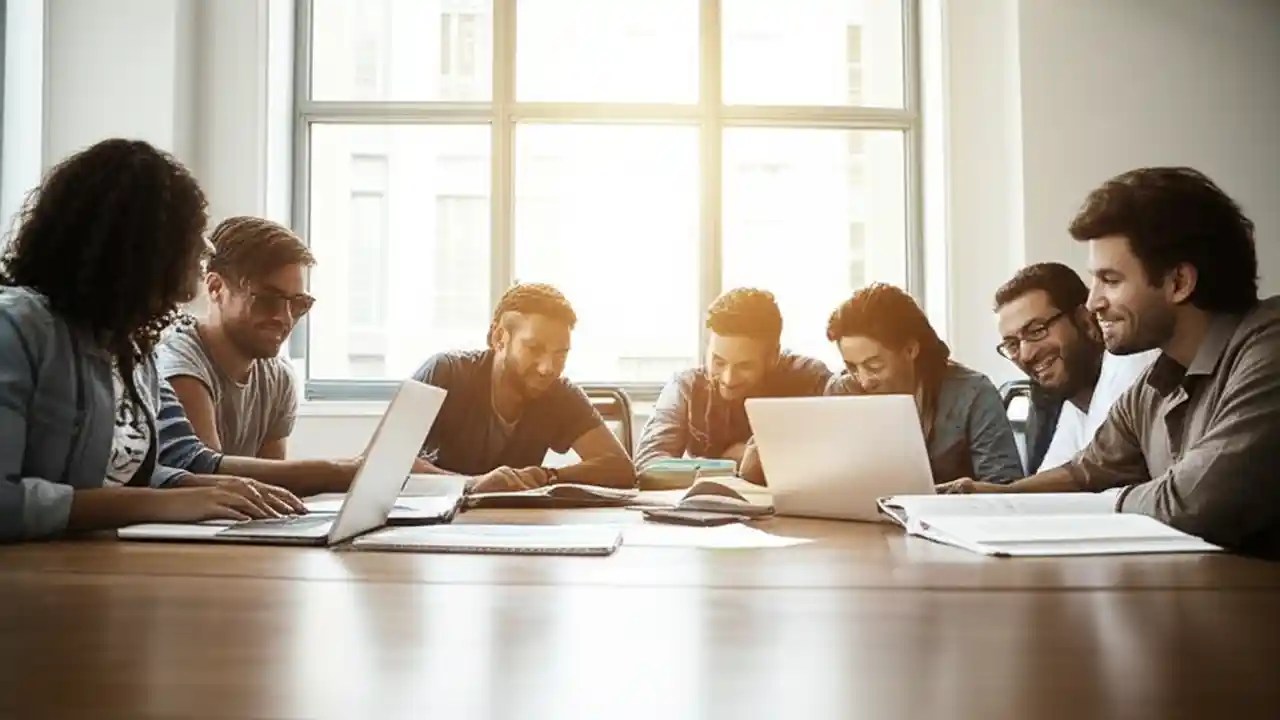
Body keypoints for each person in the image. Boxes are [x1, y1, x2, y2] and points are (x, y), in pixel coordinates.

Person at [943, 167, 1280, 559]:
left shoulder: (1268, 352)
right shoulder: (1158, 380)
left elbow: (1195, 503)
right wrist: (999, 496)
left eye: (1111, 280)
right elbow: (1089, 471)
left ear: (1179, 283)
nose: (1092, 302)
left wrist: (1111, 499)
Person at [0, 139, 300, 542]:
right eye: (191, 236)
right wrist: (159, 503)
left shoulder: (130, 348)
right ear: (137, 247)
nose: (206, 249)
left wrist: (197, 488)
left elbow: (121, 470)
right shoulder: (16, 328)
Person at [411, 283, 635, 492]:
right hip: (436, 523)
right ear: (500, 338)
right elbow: (387, 461)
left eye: (560, 354)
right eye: (534, 348)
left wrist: (546, 476)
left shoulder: (559, 393)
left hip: (511, 525)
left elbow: (620, 468)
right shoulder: (446, 373)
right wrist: (470, 485)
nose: (548, 368)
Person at [819, 283, 1023, 485]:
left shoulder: (972, 393)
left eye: (874, 365)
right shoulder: (841, 391)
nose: (863, 381)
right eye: (852, 367)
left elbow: (1004, 488)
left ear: (910, 350)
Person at [157, 216, 312, 458]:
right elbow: (209, 476)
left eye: (298, 304)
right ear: (216, 288)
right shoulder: (180, 366)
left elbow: (275, 485)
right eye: (268, 300)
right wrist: (341, 472)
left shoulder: (278, 379)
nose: (286, 318)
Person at [634, 288, 831, 474]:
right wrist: (729, 464)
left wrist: (760, 456)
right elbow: (648, 463)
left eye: (745, 366)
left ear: (773, 357)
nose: (728, 379)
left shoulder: (809, 379)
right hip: (709, 506)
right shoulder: (687, 387)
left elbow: (842, 458)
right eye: (718, 362)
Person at [993, 262, 1157, 472]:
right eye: (1012, 345)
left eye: (1036, 331)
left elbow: (1102, 482)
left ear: (1085, 321)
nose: (1025, 355)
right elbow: (1051, 489)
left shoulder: (1131, 366)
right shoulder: (1076, 403)